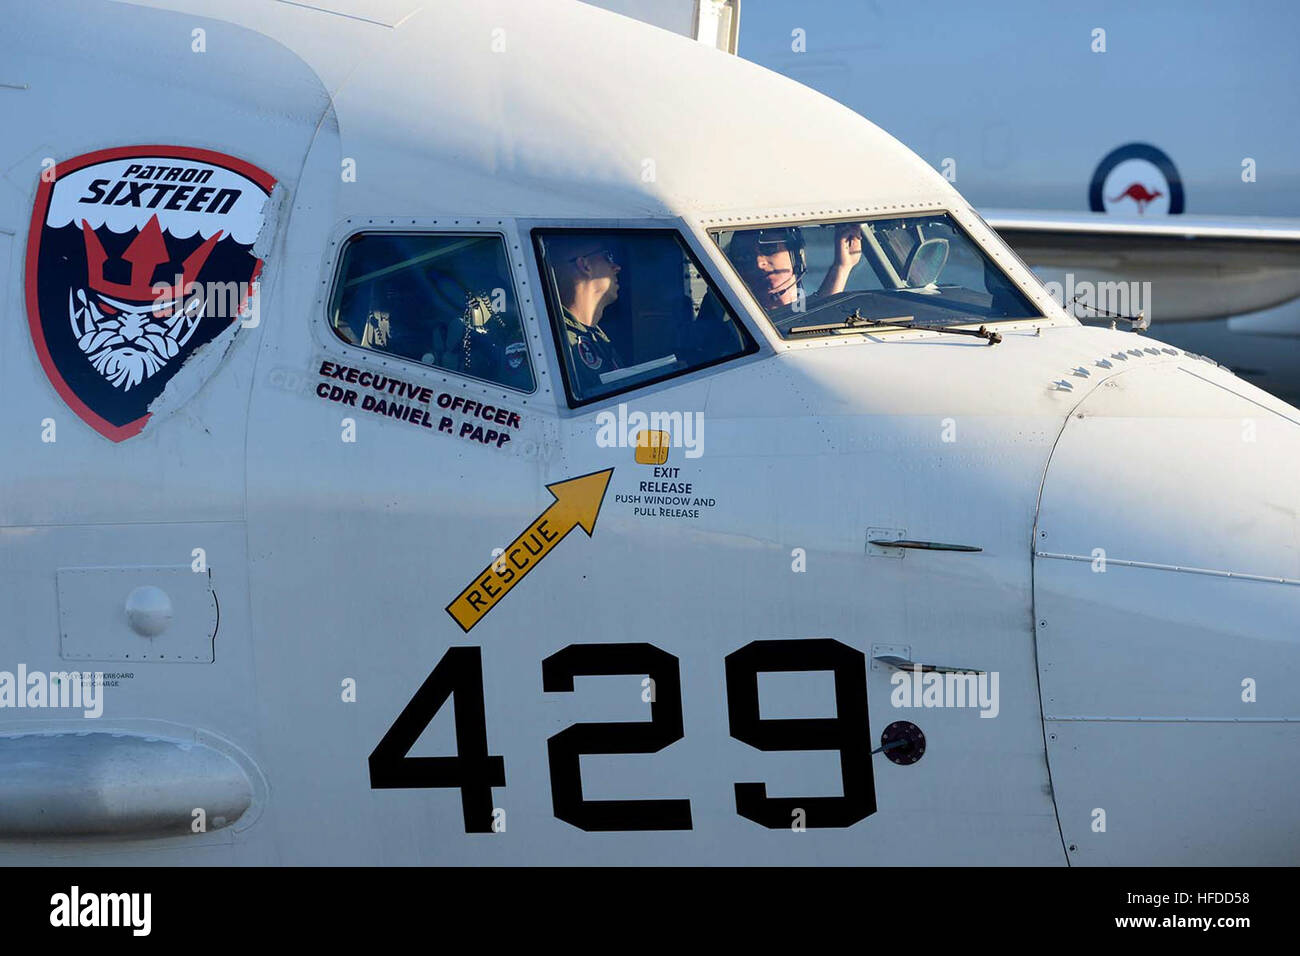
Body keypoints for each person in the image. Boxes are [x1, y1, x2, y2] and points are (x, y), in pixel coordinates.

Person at [546, 236, 625, 396]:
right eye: (607, 256)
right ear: (585, 265)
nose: (616, 267)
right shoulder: (550, 341)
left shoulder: (595, 336)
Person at [728, 223, 864, 311]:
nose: (759, 263)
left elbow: (810, 318)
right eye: (745, 257)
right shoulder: (738, 330)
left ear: (796, 254)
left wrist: (842, 266)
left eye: (769, 249)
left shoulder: (803, 307)